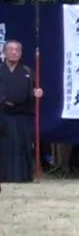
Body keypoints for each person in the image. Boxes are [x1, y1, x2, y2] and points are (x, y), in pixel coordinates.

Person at [0, 40, 43, 182]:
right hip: (3, 113)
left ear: (20, 53)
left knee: (21, 144)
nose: (13, 52)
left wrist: (37, 92)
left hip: (22, 115)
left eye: (17, 50)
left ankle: (22, 176)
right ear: (4, 52)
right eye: (10, 49)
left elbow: (35, 89)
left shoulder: (27, 71)